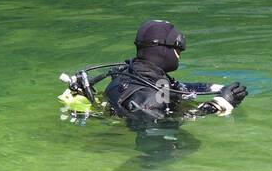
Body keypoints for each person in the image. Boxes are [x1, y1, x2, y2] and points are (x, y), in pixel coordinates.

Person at [60, 20, 247, 125]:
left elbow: (178, 88)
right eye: (178, 50)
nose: (179, 55)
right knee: (189, 145)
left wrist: (217, 88)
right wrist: (219, 104)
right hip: (137, 132)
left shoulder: (129, 73)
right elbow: (165, 123)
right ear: (163, 50)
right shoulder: (151, 95)